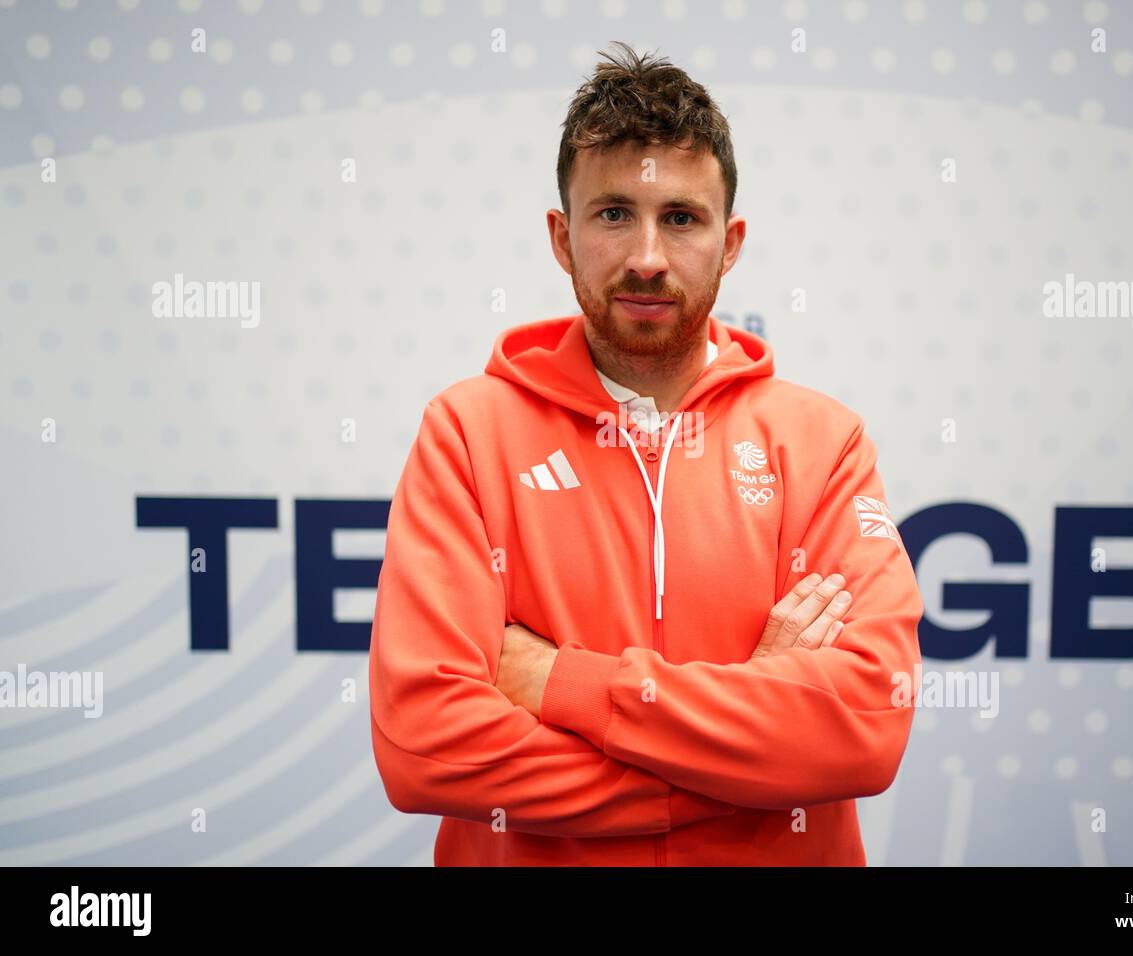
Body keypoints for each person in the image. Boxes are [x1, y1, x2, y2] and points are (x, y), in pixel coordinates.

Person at [368, 41, 924, 866]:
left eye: (682, 219)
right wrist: (742, 762)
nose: (648, 259)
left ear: (730, 243)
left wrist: (562, 683)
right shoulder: (467, 434)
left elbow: (865, 726)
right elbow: (425, 745)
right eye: (614, 213)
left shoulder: (822, 445)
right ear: (563, 237)